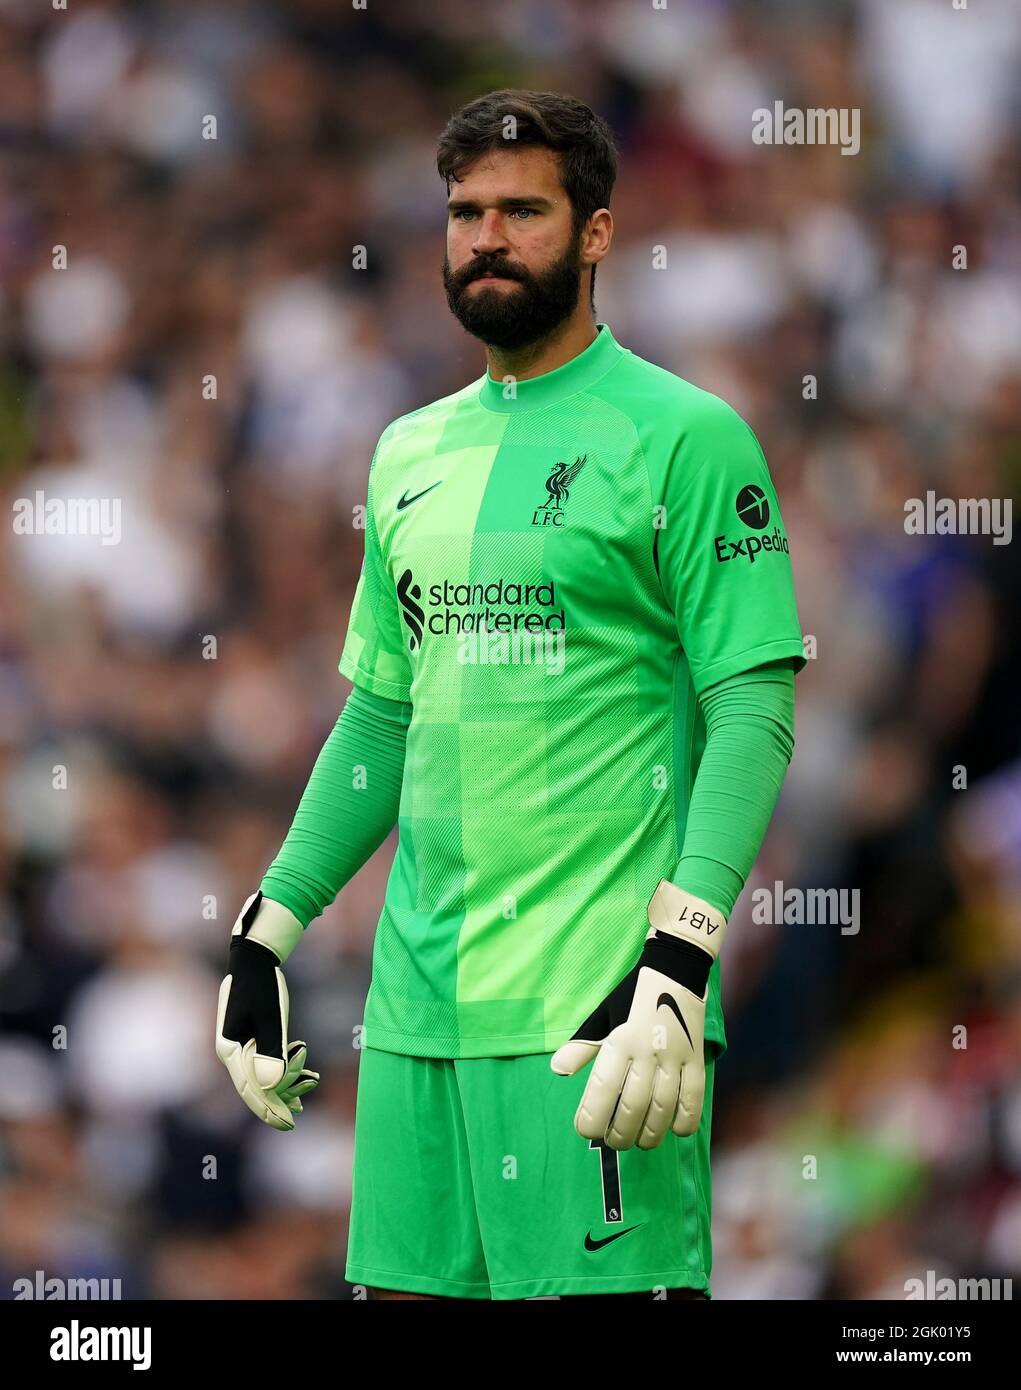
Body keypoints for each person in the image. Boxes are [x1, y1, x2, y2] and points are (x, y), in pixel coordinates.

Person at [216, 89, 804, 1301]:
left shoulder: (687, 438)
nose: (487, 236)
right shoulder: (406, 451)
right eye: (465, 211)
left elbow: (752, 706)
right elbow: (385, 717)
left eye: (522, 211)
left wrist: (681, 958)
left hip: (598, 1017)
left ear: (594, 233)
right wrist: (266, 925)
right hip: (414, 1022)